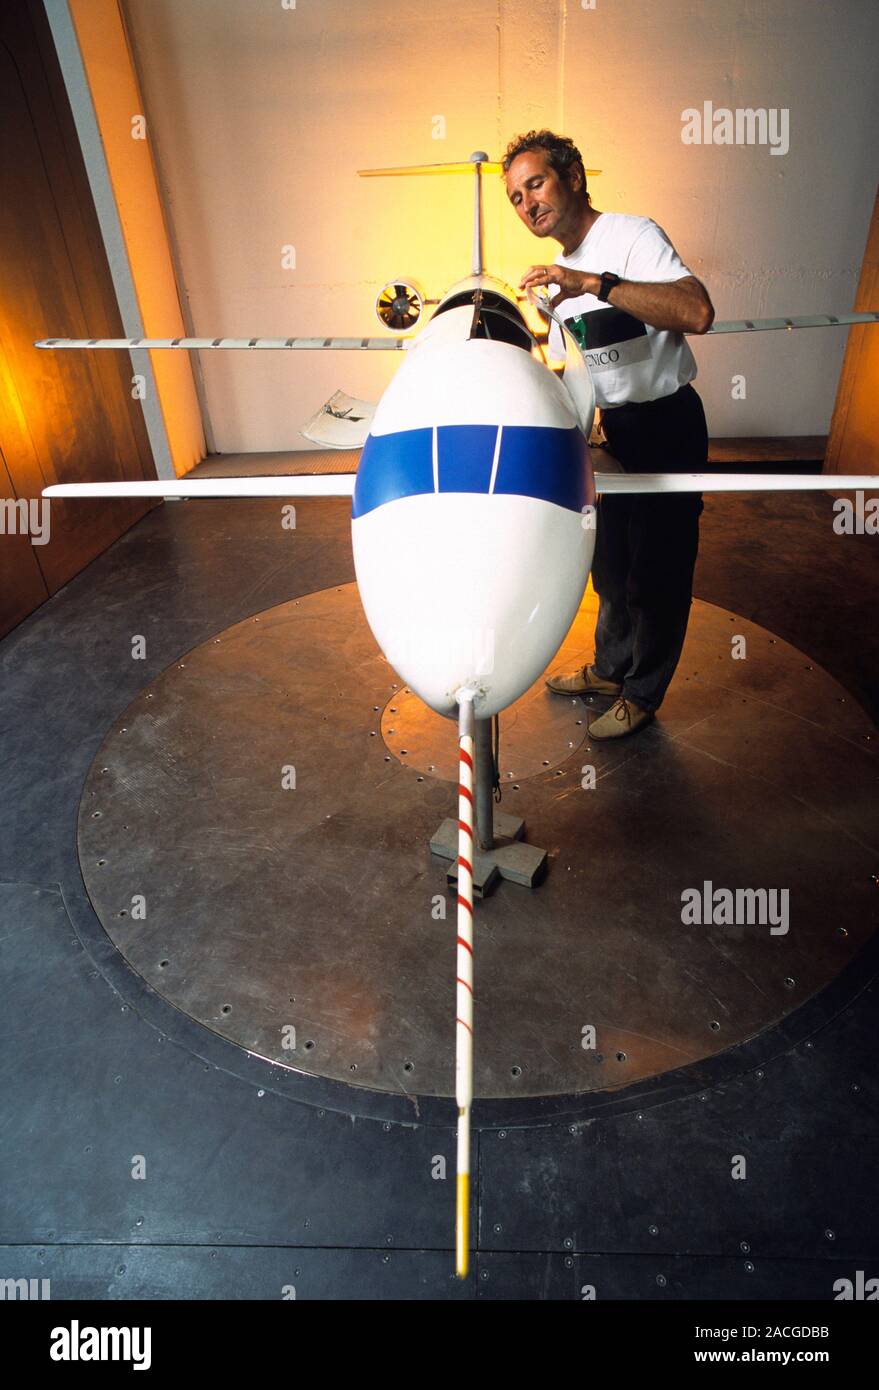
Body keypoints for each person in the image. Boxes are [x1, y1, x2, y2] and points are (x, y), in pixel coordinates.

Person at [502, 129, 715, 739]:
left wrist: (595, 283)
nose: (528, 205)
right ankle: (610, 669)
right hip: (613, 431)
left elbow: (697, 313)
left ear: (572, 176)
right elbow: (588, 364)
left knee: (660, 570)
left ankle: (644, 694)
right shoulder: (553, 277)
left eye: (536, 184)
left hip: (668, 422)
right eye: (516, 197)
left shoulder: (632, 236)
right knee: (611, 567)